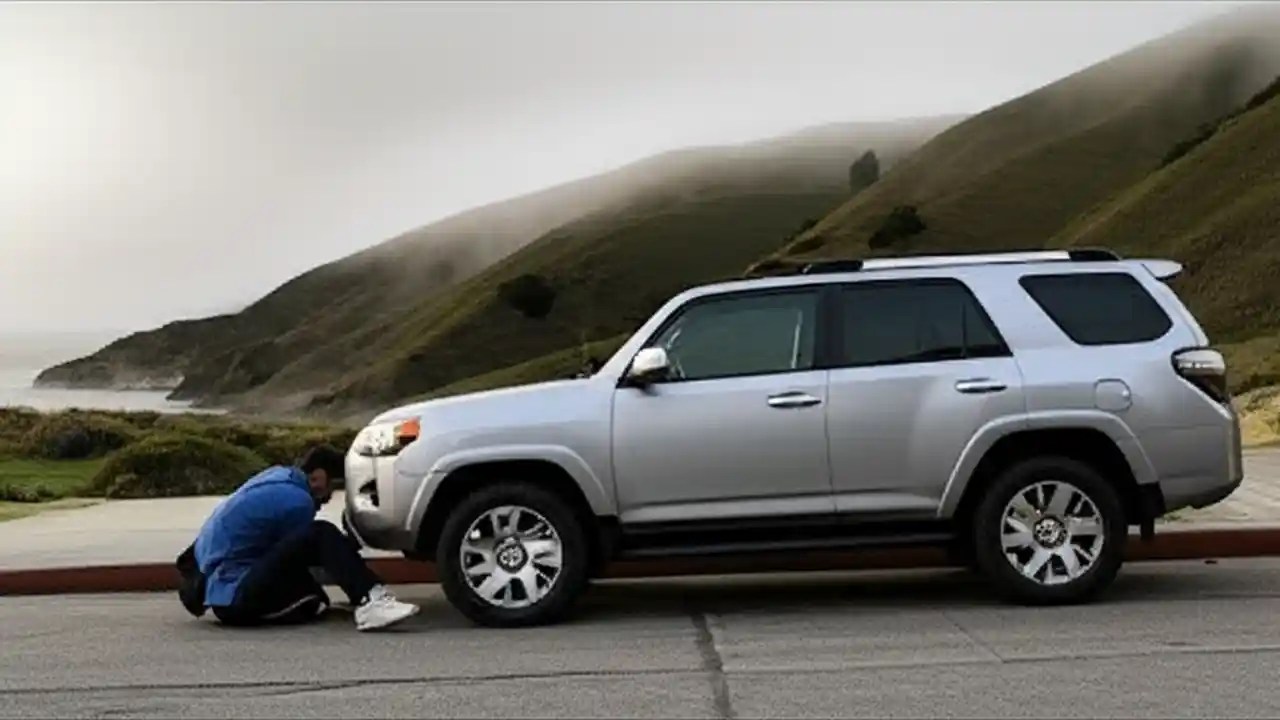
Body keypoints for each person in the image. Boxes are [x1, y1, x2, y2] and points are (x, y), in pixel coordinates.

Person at [177, 445, 419, 631]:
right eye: (333, 488)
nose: (327, 499)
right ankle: (371, 599)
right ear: (319, 477)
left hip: (222, 592)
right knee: (320, 532)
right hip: (237, 595)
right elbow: (317, 553)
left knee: (314, 597)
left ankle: (358, 598)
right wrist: (352, 545)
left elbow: (289, 556)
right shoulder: (298, 501)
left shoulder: (276, 478)